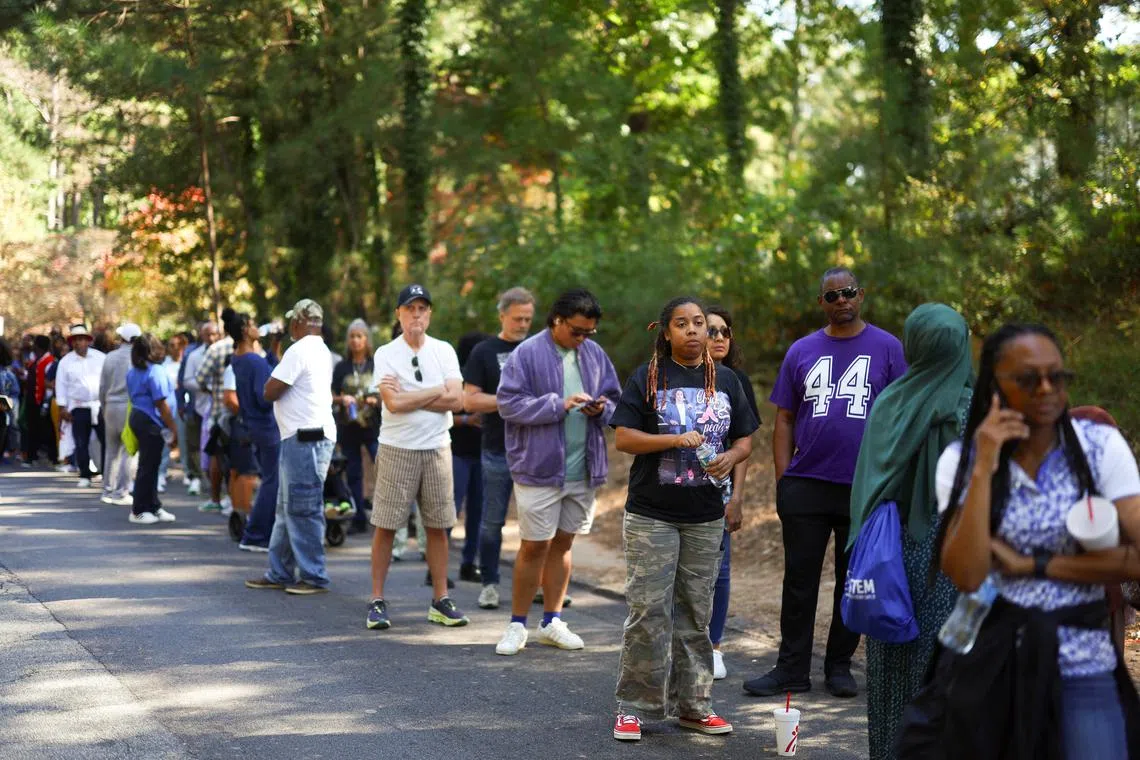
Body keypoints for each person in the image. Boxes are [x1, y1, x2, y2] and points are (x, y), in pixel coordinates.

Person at [899, 323, 1140, 759]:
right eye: (1029, 379)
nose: (1046, 388)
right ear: (996, 383)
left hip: (1081, 658)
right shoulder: (962, 460)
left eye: (1057, 376)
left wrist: (1034, 565)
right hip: (991, 661)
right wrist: (984, 466)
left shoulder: (1100, 447)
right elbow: (969, 573)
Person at [744, 267, 906, 699]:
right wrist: (783, 481)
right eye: (832, 296)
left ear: (862, 295)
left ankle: (839, 665)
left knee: (853, 580)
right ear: (822, 302)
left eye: (848, 293)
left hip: (863, 487)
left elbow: (900, 418)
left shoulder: (888, 348)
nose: (841, 301)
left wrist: (891, 479)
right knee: (800, 581)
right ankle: (791, 668)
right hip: (806, 484)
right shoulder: (801, 350)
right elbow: (784, 418)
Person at [608, 297, 759, 741]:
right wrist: (673, 438)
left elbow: (745, 440)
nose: (696, 332)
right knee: (648, 611)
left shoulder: (728, 379)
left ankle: (694, 705)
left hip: (704, 516)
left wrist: (730, 456)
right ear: (666, 332)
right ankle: (633, 707)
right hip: (652, 515)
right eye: (684, 324)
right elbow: (624, 439)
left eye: (701, 324)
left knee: (697, 613)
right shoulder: (648, 376)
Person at [846, 304, 972, 759]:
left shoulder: (890, 401)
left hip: (891, 554)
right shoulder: (973, 408)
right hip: (956, 550)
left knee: (892, 658)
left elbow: (870, 483)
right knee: (943, 665)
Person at [493, 288, 621, 655]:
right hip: (538, 467)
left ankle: (552, 620)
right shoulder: (527, 353)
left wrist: (602, 410)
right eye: (577, 331)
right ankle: (517, 625)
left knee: (564, 543)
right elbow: (508, 404)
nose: (583, 338)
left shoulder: (594, 355)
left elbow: (615, 399)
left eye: (589, 332)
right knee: (534, 545)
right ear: (557, 321)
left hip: (583, 468)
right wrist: (558, 405)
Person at [364, 284, 468, 630]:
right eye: (410, 309)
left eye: (422, 309)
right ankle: (377, 600)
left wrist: (413, 393)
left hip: (437, 447)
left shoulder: (444, 351)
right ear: (399, 314)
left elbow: (457, 400)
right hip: (397, 448)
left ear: (430, 314)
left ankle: (440, 598)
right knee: (386, 525)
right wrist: (436, 390)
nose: (416, 315)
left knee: (439, 525)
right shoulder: (385, 354)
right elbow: (392, 404)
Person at [245, 299, 336, 595]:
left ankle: (314, 575)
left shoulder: (301, 349)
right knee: (288, 509)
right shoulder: (321, 349)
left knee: (302, 508)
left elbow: (270, 390)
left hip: (305, 438)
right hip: (305, 437)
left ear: (298, 322)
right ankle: (280, 571)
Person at [463, 287, 536, 610]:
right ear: (502, 315)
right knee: (492, 522)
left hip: (536, 451)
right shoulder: (483, 351)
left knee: (537, 522)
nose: (523, 324)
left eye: (529, 319)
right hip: (497, 449)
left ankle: (535, 584)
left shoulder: (540, 349)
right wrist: (513, 403)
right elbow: (470, 399)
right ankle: (490, 582)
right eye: (518, 318)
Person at [704, 305, 760, 680]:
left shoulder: (737, 381)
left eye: (726, 331)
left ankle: (714, 645)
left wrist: (736, 498)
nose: (721, 338)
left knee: (720, 572)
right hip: (678, 493)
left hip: (719, 494)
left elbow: (744, 444)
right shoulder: (673, 378)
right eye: (712, 331)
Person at [226, 314, 279, 553]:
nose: (258, 328)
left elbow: (263, 368)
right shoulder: (254, 363)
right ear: (246, 330)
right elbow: (264, 396)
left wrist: (273, 349)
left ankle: (257, 532)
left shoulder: (239, 359)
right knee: (271, 480)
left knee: (268, 477)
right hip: (266, 425)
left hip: (251, 425)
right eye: (254, 324)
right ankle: (256, 534)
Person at [331, 319, 381, 536]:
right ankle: (358, 517)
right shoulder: (342, 367)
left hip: (373, 427)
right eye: (352, 336)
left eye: (359, 336)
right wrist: (342, 400)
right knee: (353, 473)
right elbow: (331, 394)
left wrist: (374, 400)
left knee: (383, 467)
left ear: (366, 339)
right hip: (348, 426)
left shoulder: (376, 364)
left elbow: (387, 393)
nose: (355, 340)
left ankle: (384, 518)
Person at [124, 333, 178, 524]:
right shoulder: (155, 371)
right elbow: (161, 403)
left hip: (139, 417)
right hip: (150, 419)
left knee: (151, 464)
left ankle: (153, 505)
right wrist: (173, 428)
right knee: (148, 466)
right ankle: (139, 509)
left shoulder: (133, 372)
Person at [451, 330, 490, 583]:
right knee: (449, 512)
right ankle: (437, 567)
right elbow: (440, 416)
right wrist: (467, 419)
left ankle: (469, 562)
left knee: (477, 512)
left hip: (483, 453)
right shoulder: (456, 380)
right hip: (457, 452)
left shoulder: (487, 380)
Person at [53, 324, 107, 488]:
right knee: (81, 442)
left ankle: (106, 473)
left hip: (99, 405)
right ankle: (85, 474)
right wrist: (63, 407)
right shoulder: (65, 362)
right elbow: (61, 385)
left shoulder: (100, 358)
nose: (79, 343)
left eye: (82, 340)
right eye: (76, 340)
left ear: (88, 341)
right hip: (78, 406)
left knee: (105, 440)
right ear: (72, 343)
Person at [196, 311, 236, 513]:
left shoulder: (215, 349)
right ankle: (233, 497)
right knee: (237, 456)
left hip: (219, 410)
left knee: (216, 455)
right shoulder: (252, 348)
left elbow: (200, 378)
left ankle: (215, 498)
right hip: (240, 412)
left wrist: (212, 390)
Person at [99, 324, 141, 505]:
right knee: (127, 450)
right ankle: (121, 492)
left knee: (111, 450)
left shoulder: (110, 357)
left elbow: (102, 386)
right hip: (129, 407)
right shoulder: (138, 358)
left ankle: (107, 490)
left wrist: (103, 406)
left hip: (110, 406)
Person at [180, 321, 218, 496]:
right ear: (202, 335)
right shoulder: (194, 356)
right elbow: (186, 380)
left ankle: (216, 480)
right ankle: (195, 477)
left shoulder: (223, 352)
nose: (211, 338)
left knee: (217, 444)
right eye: (207, 334)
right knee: (194, 443)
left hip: (218, 407)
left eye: (214, 334)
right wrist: (203, 387)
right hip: (198, 405)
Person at [158, 333, 187, 493]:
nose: (175, 349)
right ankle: (161, 472)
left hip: (184, 407)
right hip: (169, 407)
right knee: (166, 439)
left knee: (184, 440)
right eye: (172, 345)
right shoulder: (164, 365)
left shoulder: (186, 362)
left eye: (178, 345)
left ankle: (189, 472)